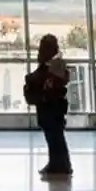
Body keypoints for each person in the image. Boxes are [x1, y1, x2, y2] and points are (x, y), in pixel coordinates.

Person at [26, 33, 71, 179]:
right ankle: (58, 163)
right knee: (54, 136)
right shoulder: (55, 63)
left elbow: (52, 82)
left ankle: (60, 164)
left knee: (54, 137)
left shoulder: (53, 64)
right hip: (52, 106)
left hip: (51, 106)